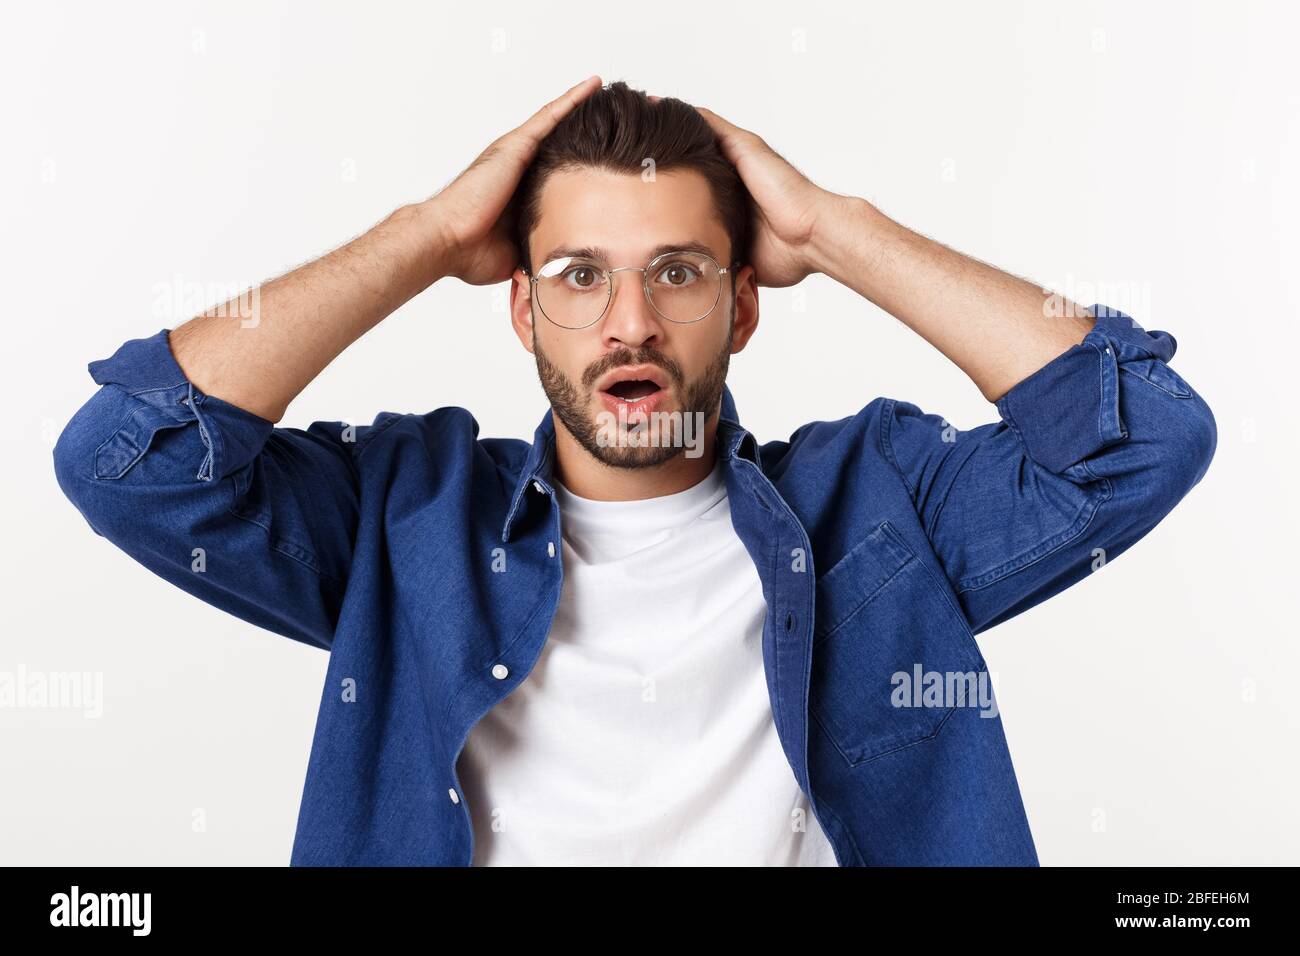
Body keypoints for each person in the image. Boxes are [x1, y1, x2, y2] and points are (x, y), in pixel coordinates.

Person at [52, 76, 1217, 866]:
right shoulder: (406, 514)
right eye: (574, 274)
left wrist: (836, 228)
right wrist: (420, 235)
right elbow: (127, 463)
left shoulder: (878, 503)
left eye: (676, 272)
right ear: (518, 309)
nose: (629, 323)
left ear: (742, 306)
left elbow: (1147, 438)